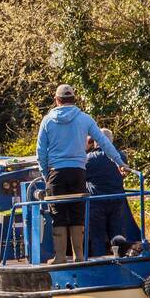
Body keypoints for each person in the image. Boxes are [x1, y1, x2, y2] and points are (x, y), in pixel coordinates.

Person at [36, 84, 124, 263]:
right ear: (74, 99)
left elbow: (41, 152)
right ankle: (79, 256)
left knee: (58, 213)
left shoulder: (47, 121)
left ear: (57, 100)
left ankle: (60, 257)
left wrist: (46, 174)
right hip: (78, 171)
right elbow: (104, 143)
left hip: (56, 172)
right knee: (77, 212)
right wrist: (119, 162)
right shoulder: (85, 119)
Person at [85, 129, 143, 256]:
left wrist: (86, 147)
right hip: (117, 202)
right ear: (110, 140)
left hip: (96, 203)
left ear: (95, 141)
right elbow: (122, 175)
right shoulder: (121, 157)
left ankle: (99, 260)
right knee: (117, 235)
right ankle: (120, 258)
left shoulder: (88, 159)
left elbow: (81, 177)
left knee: (97, 236)